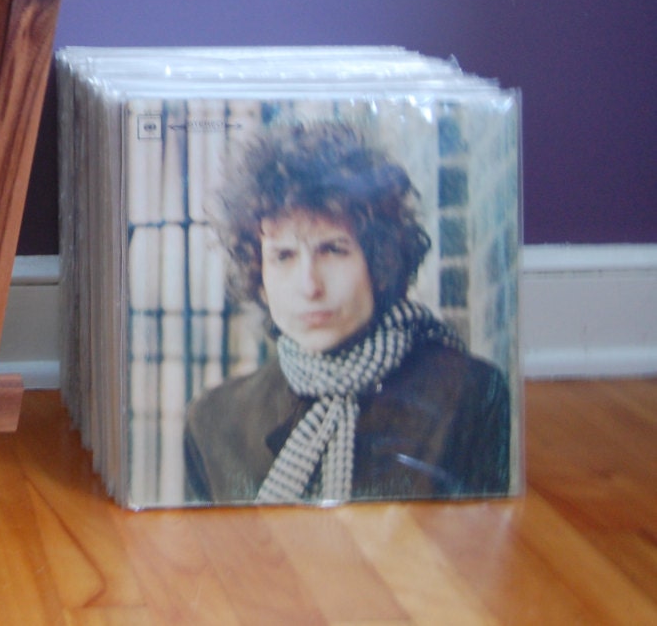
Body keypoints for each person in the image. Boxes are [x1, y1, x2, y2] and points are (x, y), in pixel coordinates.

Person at [183, 121, 511, 505]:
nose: (309, 286)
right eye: (283, 257)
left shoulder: (469, 396)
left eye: (333, 250)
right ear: (260, 276)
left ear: (380, 262)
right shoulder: (214, 424)